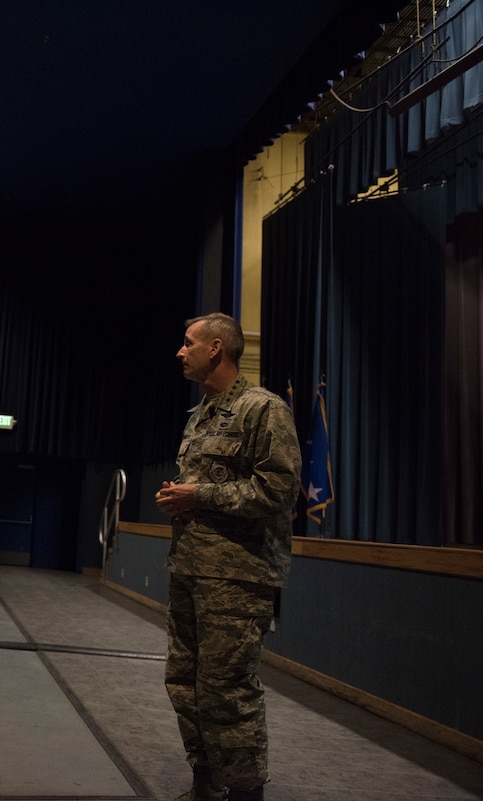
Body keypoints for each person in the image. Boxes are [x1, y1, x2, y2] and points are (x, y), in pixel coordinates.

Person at [154, 313, 300, 801]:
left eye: (187, 342)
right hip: (191, 569)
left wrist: (200, 495)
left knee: (227, 690)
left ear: (215, 348)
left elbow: (278, 489)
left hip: (237, 576)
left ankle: (244, 793)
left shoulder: (263, 409)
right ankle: (205, 782)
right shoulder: (201, 414)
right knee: (185, 683)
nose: (180, 351)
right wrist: (183, 496)